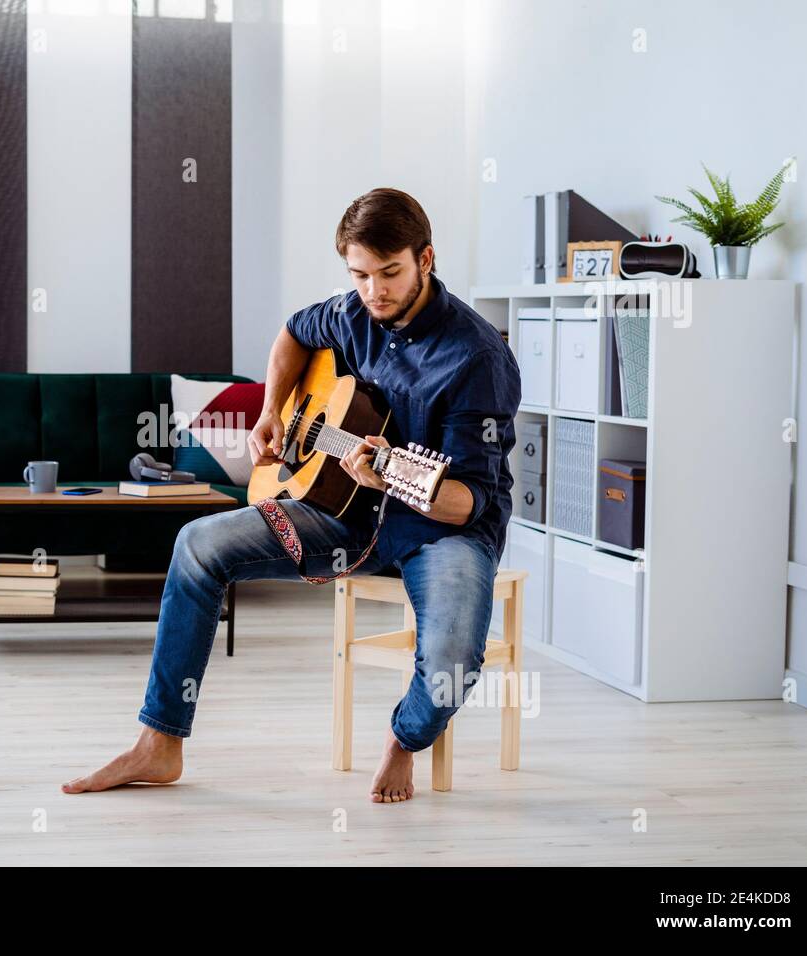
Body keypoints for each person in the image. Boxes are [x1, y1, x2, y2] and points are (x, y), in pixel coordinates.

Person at [63, 187, 521, 803]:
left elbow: (468, 500)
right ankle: (160, 742)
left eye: (390, 273)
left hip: (440, 529)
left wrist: (389, 476)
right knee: (196, 544)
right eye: (360, 275)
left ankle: (403, 738)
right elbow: (291, 334)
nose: (374, 292)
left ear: (426, 259)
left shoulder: (477, 357)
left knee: (449, 667)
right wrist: (273, 411)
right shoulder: (352, 311)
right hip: (340, 511)